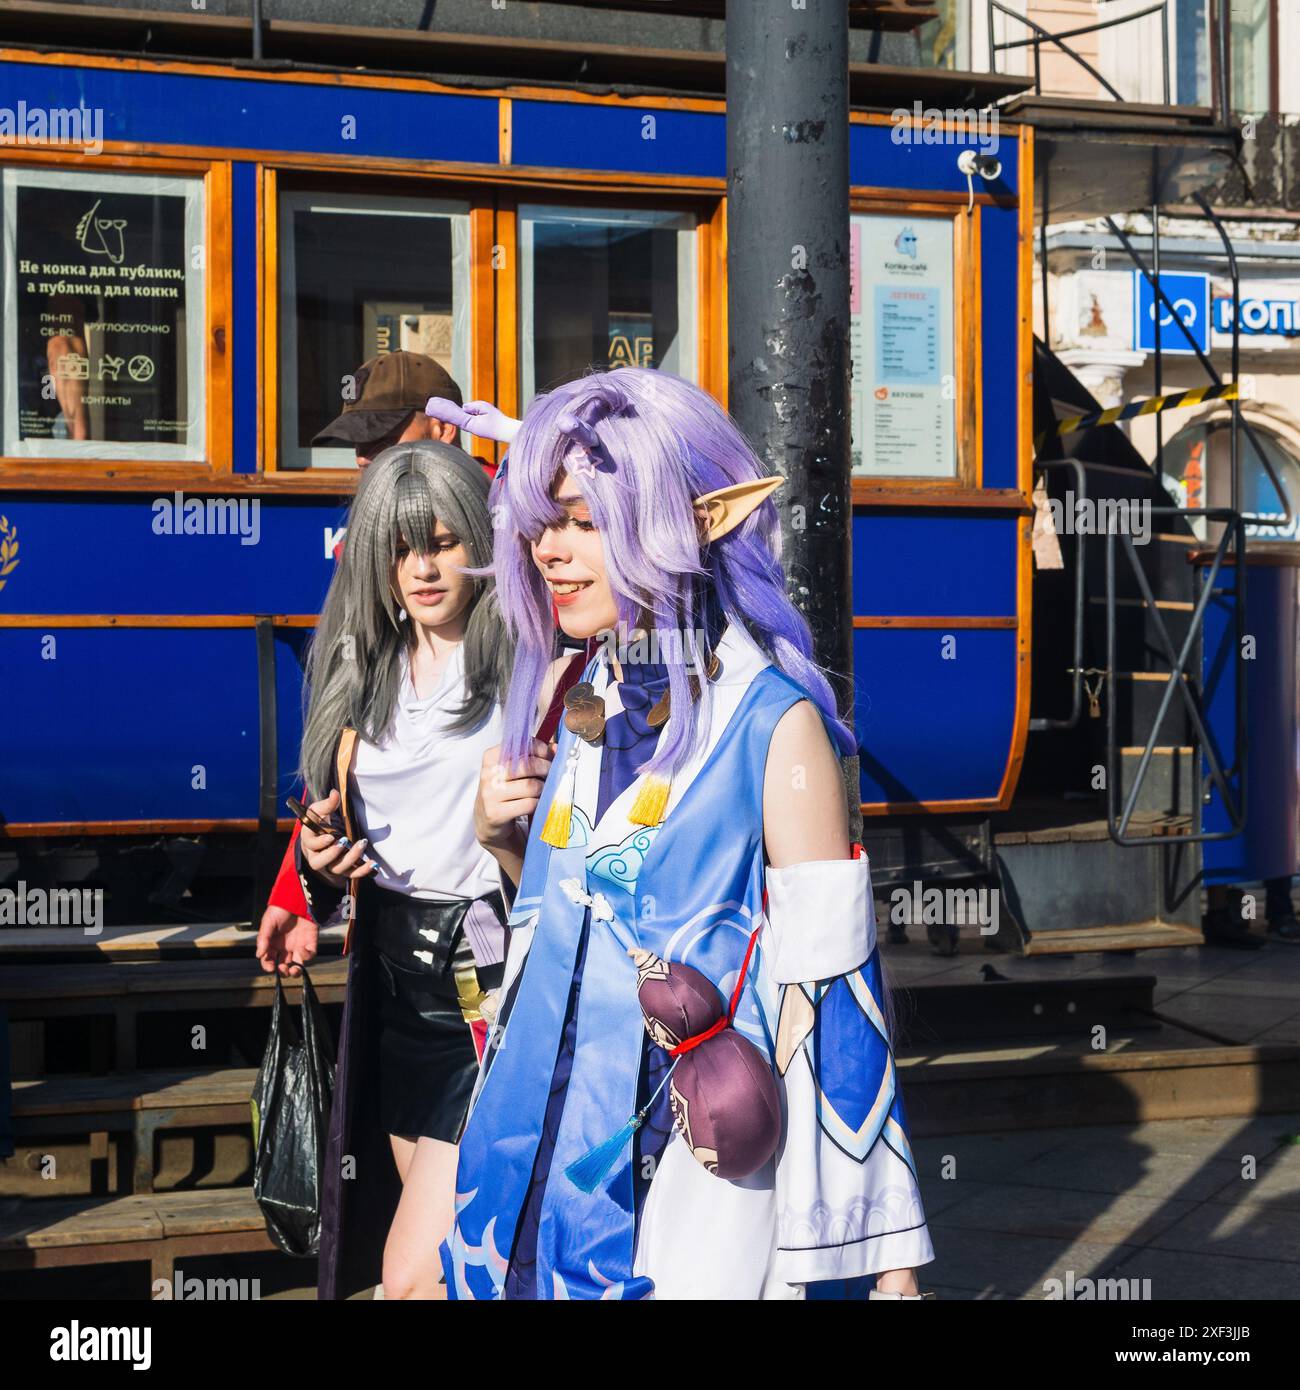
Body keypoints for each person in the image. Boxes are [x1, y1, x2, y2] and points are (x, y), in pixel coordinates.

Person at [443, 368, 935, 1300]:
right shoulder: (578, 690)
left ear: (686, 524)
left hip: (686, 1167)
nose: (552, 550)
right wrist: (505, 845)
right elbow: (566, 928)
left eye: (586, 522)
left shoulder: (773, 723)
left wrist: (890, 1265)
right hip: (530, 1159)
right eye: (544, 523)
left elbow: (832, 994)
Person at [264, 440, 511, 1301]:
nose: (423, 569)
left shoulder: (524, 661)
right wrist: (313, 869)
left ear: (479, 540)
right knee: (457, 1264)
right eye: (404, 549)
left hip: (484, 978)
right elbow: (336, 819)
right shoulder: (360, 667)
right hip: (390, 990)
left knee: (411, 1279)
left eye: (444, 543)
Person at [255, 353, 468, 978]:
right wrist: (301, 884)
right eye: (356, 442)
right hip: (391, 944)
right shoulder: (368, 544)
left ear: (443, 429)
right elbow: (346, 733)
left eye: (379, 437)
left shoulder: (522, 537)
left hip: (496, 949)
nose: (362, 458)